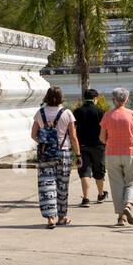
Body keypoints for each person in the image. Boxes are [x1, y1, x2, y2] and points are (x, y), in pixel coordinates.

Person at [30, 86, 80, 228]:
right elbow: (73, 137)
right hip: (63, 153)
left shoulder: (40, 113)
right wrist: (78, 154)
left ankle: (50, 218)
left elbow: (33, 135)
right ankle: (62, 217)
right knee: (62, 186)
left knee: (46, 185)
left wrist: (45, 143)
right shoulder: (67, 113)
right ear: (61, 97)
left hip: (45, 155)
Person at [100, 87, 133, 226]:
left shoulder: (107, 115)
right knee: (131, 182)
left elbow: (102, 138)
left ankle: (121, 217)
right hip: (131, 152)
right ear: (126, 99)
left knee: (116, 185)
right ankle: (128, 206)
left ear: (113, 99)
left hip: (112, 154)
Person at [73, 88, 108, 207]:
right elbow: (105, 129)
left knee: (84, 171)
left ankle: (86, 198)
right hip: (98, 145)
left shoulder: (77, 111)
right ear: (95, 98)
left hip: (82, 145)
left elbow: (74, 129)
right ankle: (100, 194)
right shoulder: (100, 111)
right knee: (99, 170)